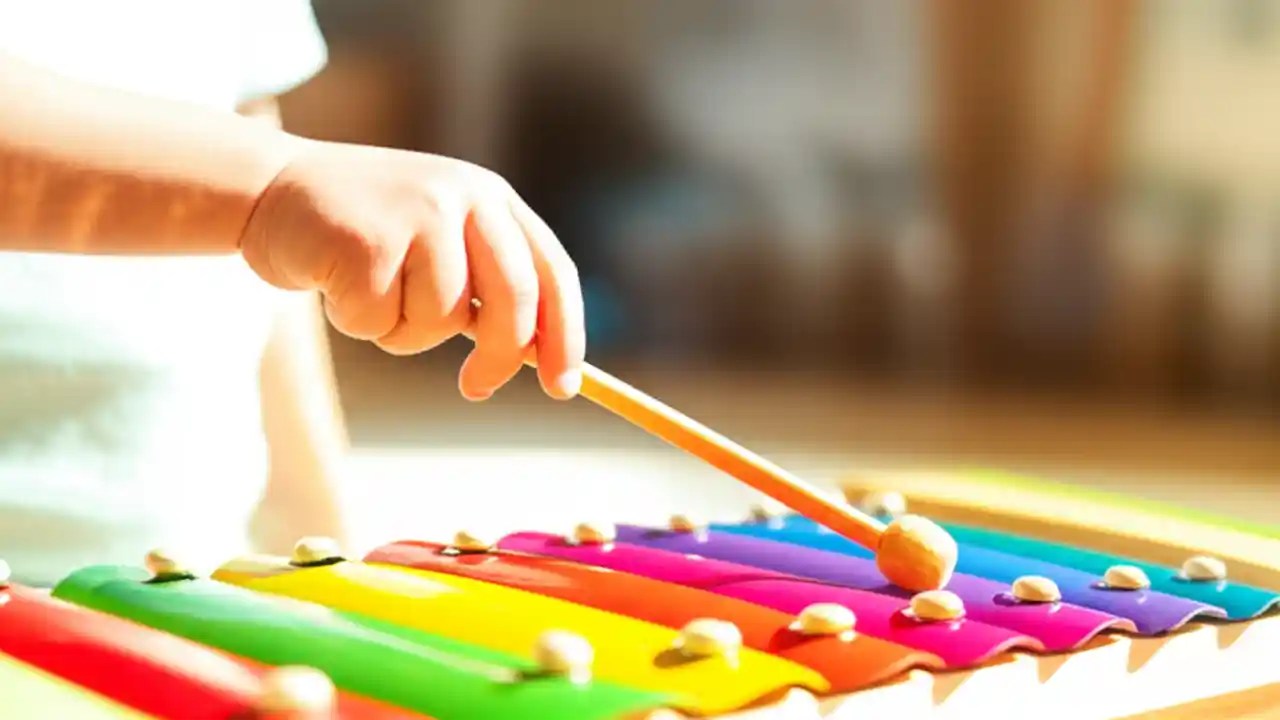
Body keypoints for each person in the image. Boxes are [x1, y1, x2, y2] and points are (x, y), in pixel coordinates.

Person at [0, 1, 584, 585]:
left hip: (177, 571)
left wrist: (320, 530)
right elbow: (265, 195)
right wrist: (277, 183)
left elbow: (268, 255)